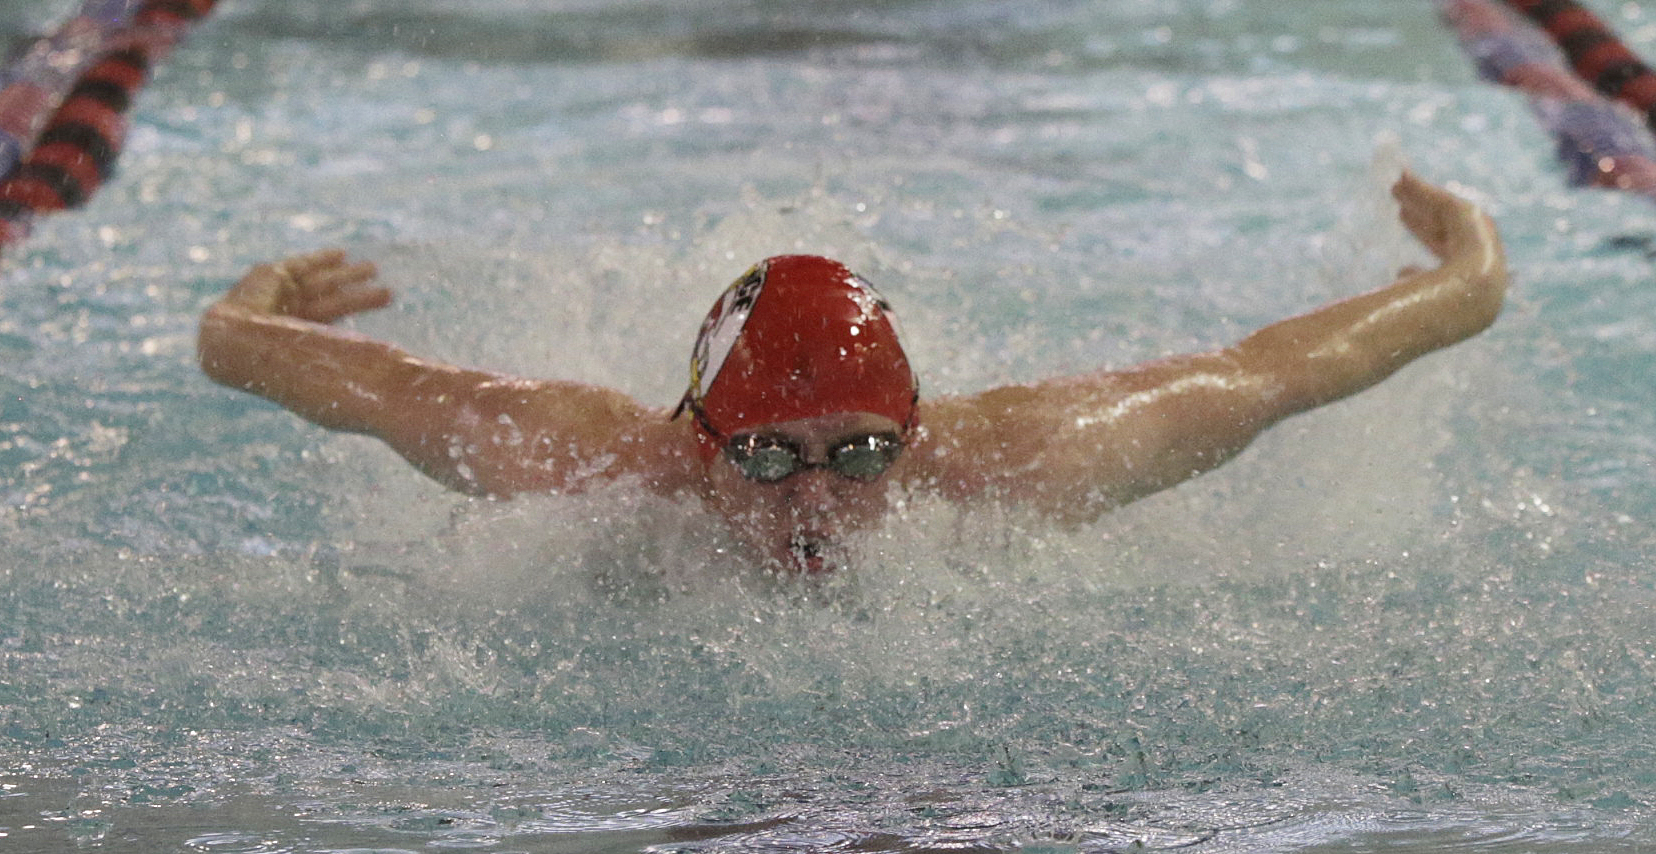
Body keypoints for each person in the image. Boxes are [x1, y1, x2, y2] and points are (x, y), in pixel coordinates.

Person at [198, 171, 1507, 574]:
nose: (814, 504)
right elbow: (291, 364)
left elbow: (1271, 371)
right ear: (694, 434)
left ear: (914, 433)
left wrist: (1468, 274)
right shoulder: (588, 456)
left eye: (861, 453)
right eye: (769, 455)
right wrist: (259, 306)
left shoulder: (1019, 456)